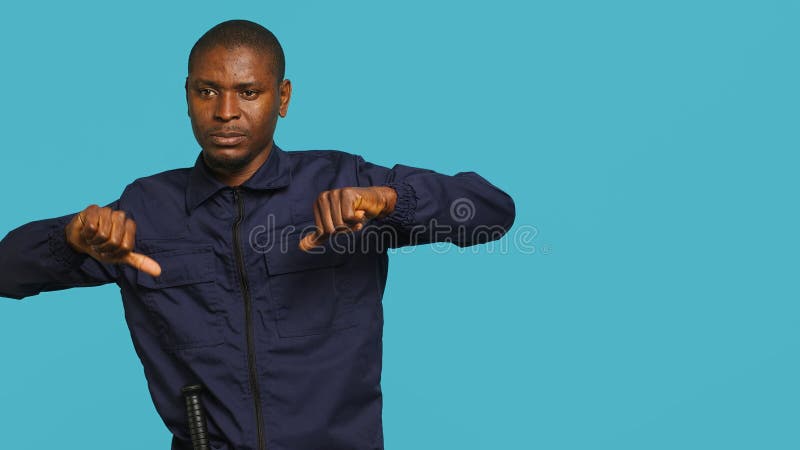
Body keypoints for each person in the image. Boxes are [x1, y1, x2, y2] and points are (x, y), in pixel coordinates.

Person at [0, 20, 515, 450]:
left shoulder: (345, 182)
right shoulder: (146, 211)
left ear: (282, 97)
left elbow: (493, 213)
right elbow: (6, 272)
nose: (226, 112)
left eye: (248, 92)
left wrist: (391, 200)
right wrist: (70, 236)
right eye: (208, 91)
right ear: (187, 97)